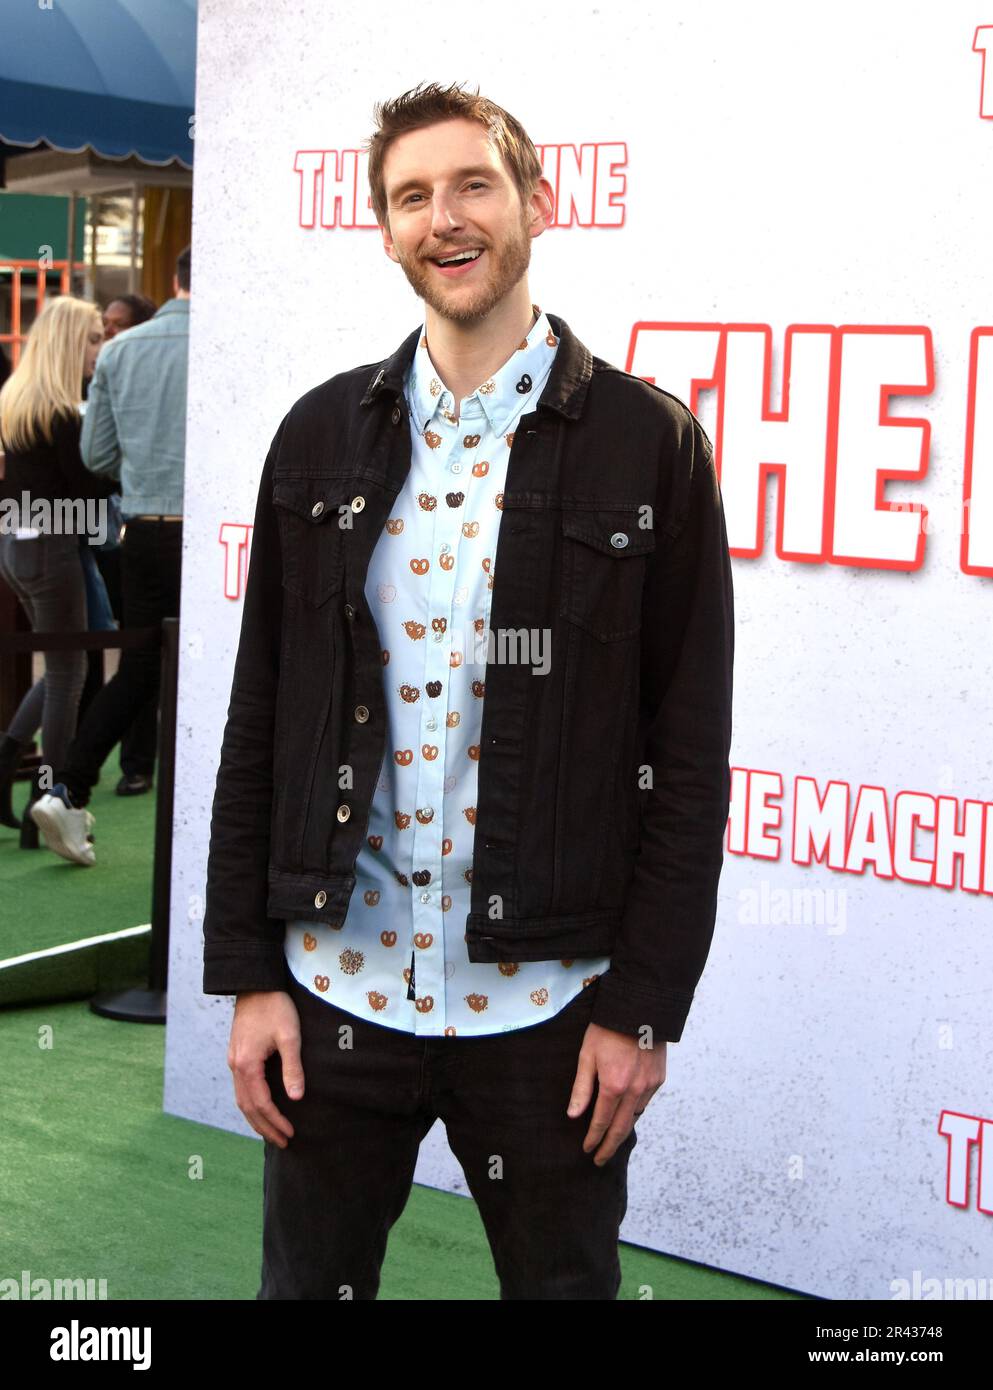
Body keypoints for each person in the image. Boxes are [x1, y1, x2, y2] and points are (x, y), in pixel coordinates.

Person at [202, 82, 734, 1300]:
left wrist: (643, 1006)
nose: (445, 218)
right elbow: (261, 722)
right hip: (336, 992)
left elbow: (688, 753)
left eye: (473, 185)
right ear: (385, 230)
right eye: (411, 196)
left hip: (549, 1013)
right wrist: (247, 973)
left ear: (536, 205)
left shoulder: (646, 445)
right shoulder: (319, 436)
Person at [27, 247, 190, 865]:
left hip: (144, 528)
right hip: (217, 532)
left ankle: (69, 787)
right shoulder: (224, 345)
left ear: (173, 282)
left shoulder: (121, 352)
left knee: (141, 666)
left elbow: (98, 458)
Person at [0, 297, 119, 835]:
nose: (101, 348)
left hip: (18, 542)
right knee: (69, 673)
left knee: (60, 669)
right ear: (72, 342)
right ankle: (45, 798)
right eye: (93, 338)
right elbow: (87, 493)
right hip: (50, 547)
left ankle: (11, 770)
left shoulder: (19, 400)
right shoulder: (61, 413)